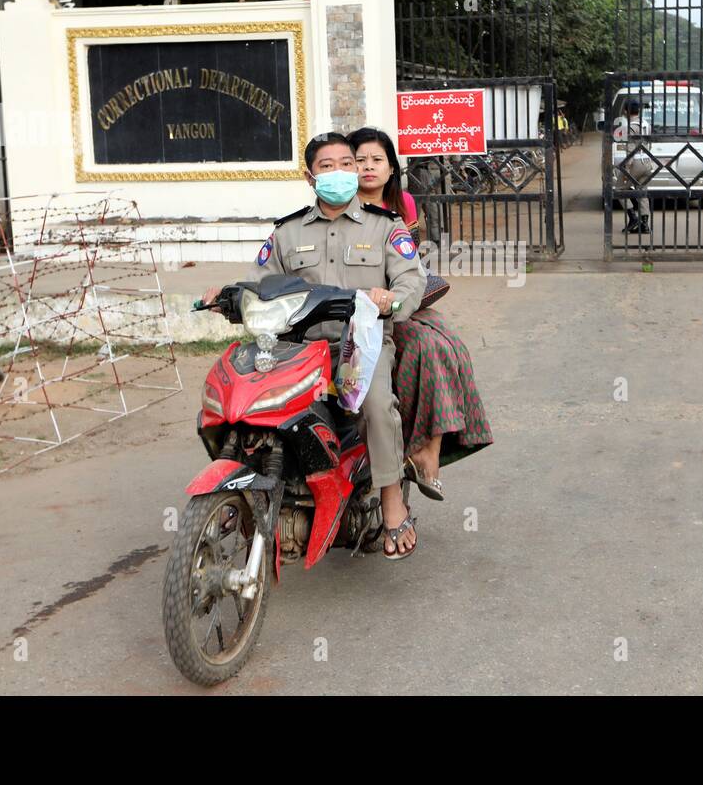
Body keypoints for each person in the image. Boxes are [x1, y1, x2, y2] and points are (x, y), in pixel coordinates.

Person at [203, 133, 426, 559]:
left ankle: (393, 502)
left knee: (376, 404)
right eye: (328, 166)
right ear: (310, 176)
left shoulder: (385, 226)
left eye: (348, 163)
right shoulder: (286, 232)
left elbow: (410, 280)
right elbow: (261, 282)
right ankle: (236, 484)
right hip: (295, 347)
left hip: (359, 345)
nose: (341, 172)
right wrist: (229, 296)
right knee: (239, 395)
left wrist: (391, 298)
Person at [347, 126, 493, 501]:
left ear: (391, 168)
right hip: (357, 310)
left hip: (401, 303)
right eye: (359, 160)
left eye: (376, 160)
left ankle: (432, 450)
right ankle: (417, 451)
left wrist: (401, 295)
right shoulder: (339, 209)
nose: (368, 167)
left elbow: (410, 266)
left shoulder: (403, 205)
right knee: (424, 348)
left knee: (450, 346)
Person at [611, 99, 651, 233]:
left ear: (626, 111)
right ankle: (644, 225)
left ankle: (633, 218)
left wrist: (627, 168)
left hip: (636, 163)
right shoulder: (645, 124)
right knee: (642, 192)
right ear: (638, 110)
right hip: (647, 162)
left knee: (619, 190)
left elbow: (631, 149)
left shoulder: (631, 127)